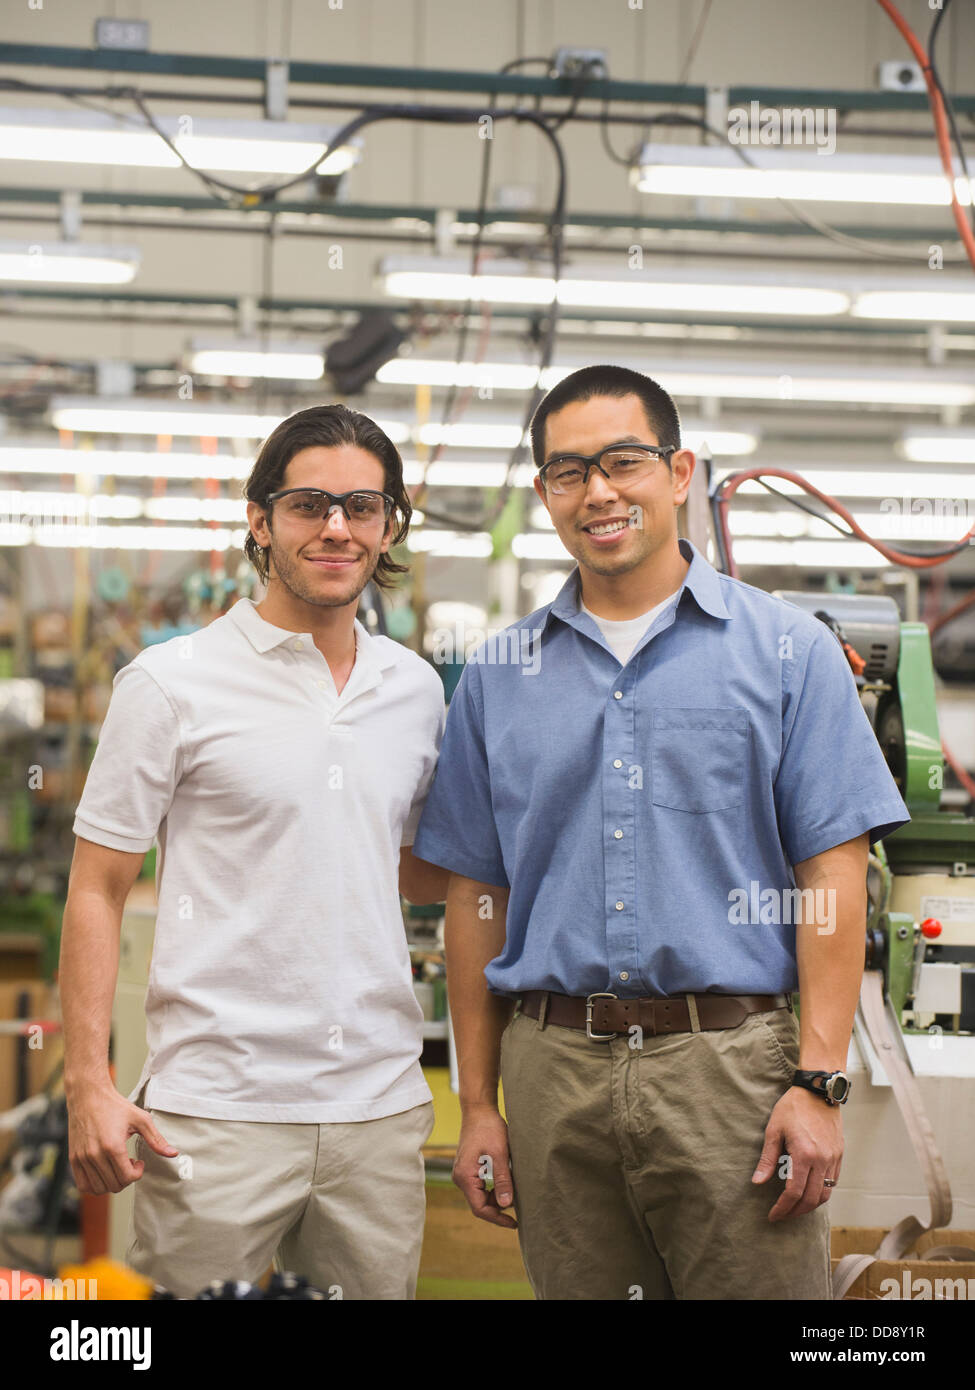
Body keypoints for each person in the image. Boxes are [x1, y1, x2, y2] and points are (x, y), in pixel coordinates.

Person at [413, 364, 911, 1301]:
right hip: (553, 1071)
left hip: (732, 1072)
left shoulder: (785, 651)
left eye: (624, 461)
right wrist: (477, 1106)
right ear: (544, 495)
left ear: (679, 471)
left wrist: (818, 1080)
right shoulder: (496, 674)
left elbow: (832, 878)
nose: (598, 491)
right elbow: (476, 898)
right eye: (569, 472)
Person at [61, 404, 448, 1300]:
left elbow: (409, 866)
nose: (337, 527)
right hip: (214, 1111)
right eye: (309, 504)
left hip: (379, 1111)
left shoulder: (414, 689)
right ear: (259, 519)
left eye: (362, 505)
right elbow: (96, 888)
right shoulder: (169, 682)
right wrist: (90, 1080)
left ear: (388, 524)